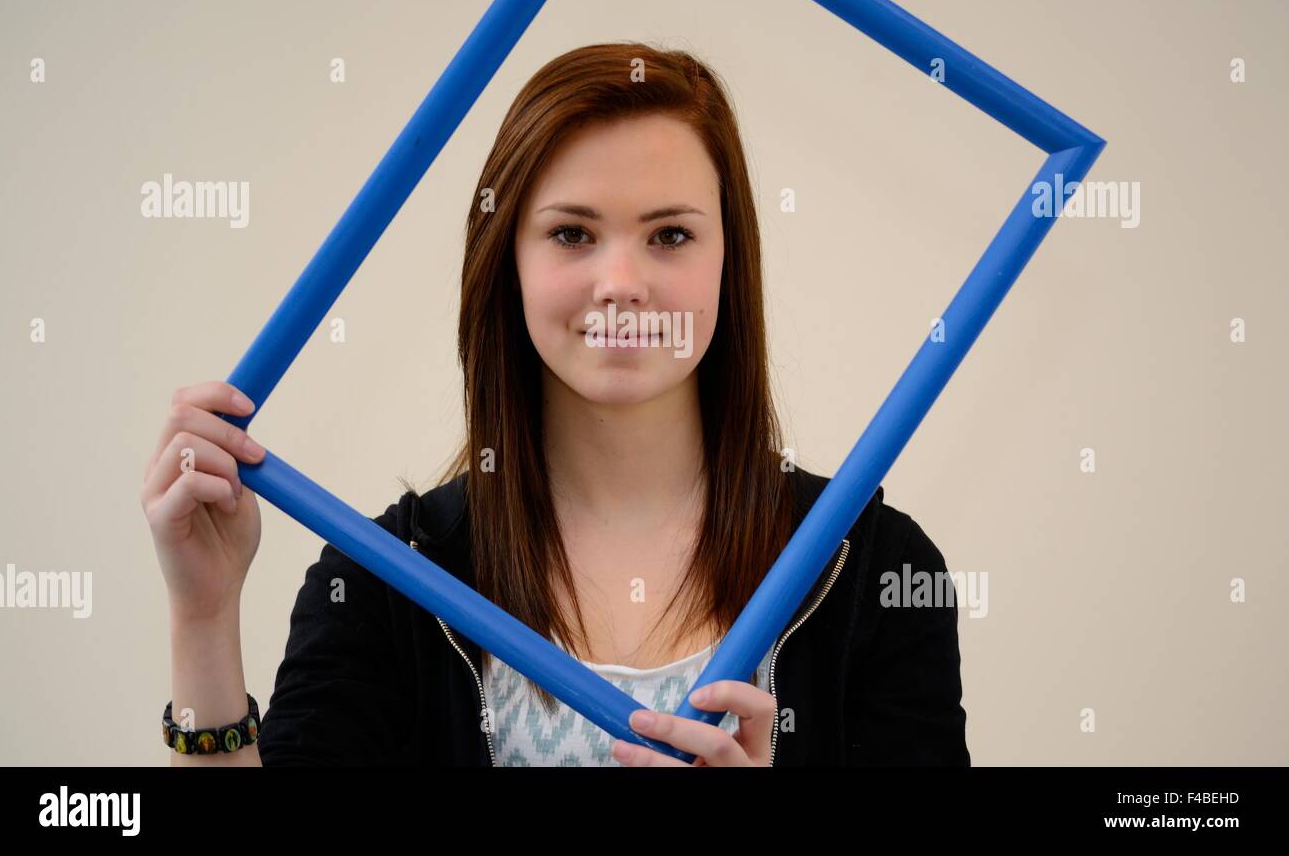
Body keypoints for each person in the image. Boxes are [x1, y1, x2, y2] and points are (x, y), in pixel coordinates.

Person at [142, 42, 969, 766]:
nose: (621, 283)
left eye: (670, 235)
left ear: (730, 259)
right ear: (508, 263)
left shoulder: (873, 570)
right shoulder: (382, 581)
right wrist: (204, 617)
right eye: (572, 233)